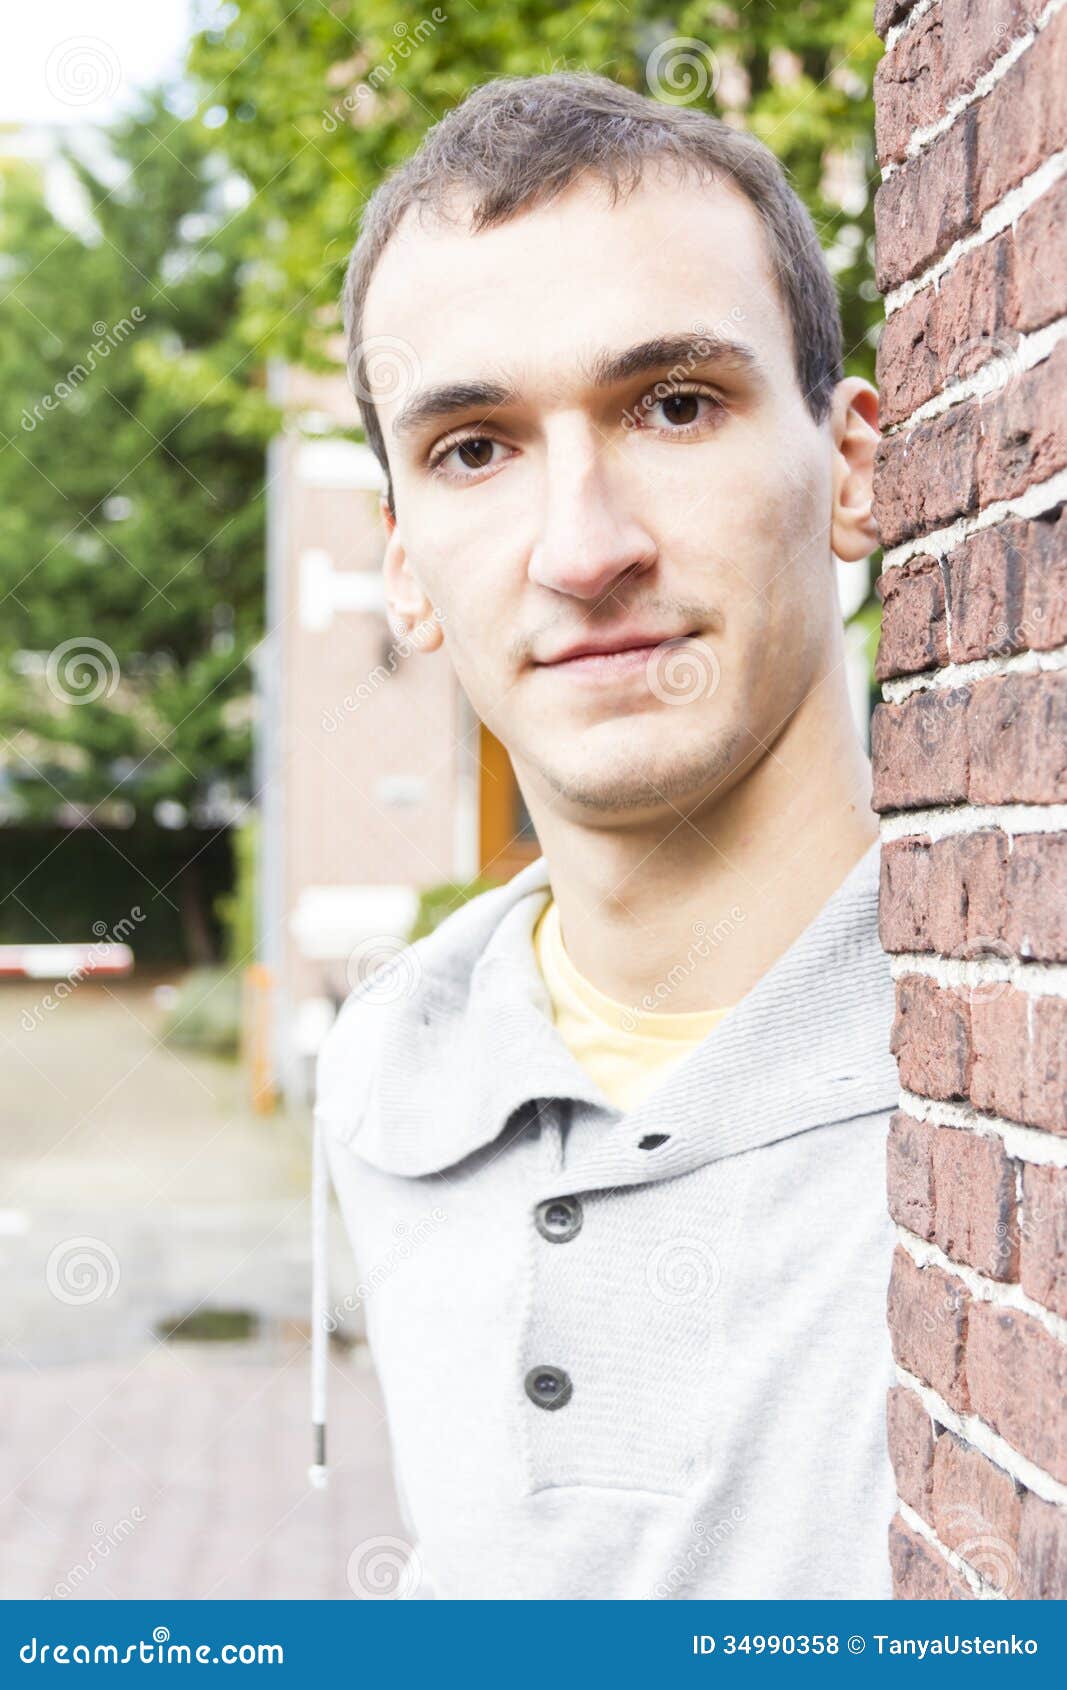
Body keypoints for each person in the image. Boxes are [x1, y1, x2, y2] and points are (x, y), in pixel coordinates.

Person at [312, 70, 899, 1600]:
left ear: (851, 465)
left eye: (676, 404)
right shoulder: (389, 1075)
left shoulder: (1009, 1044)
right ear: (406, 571)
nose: (583, 550)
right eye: (474, 448)